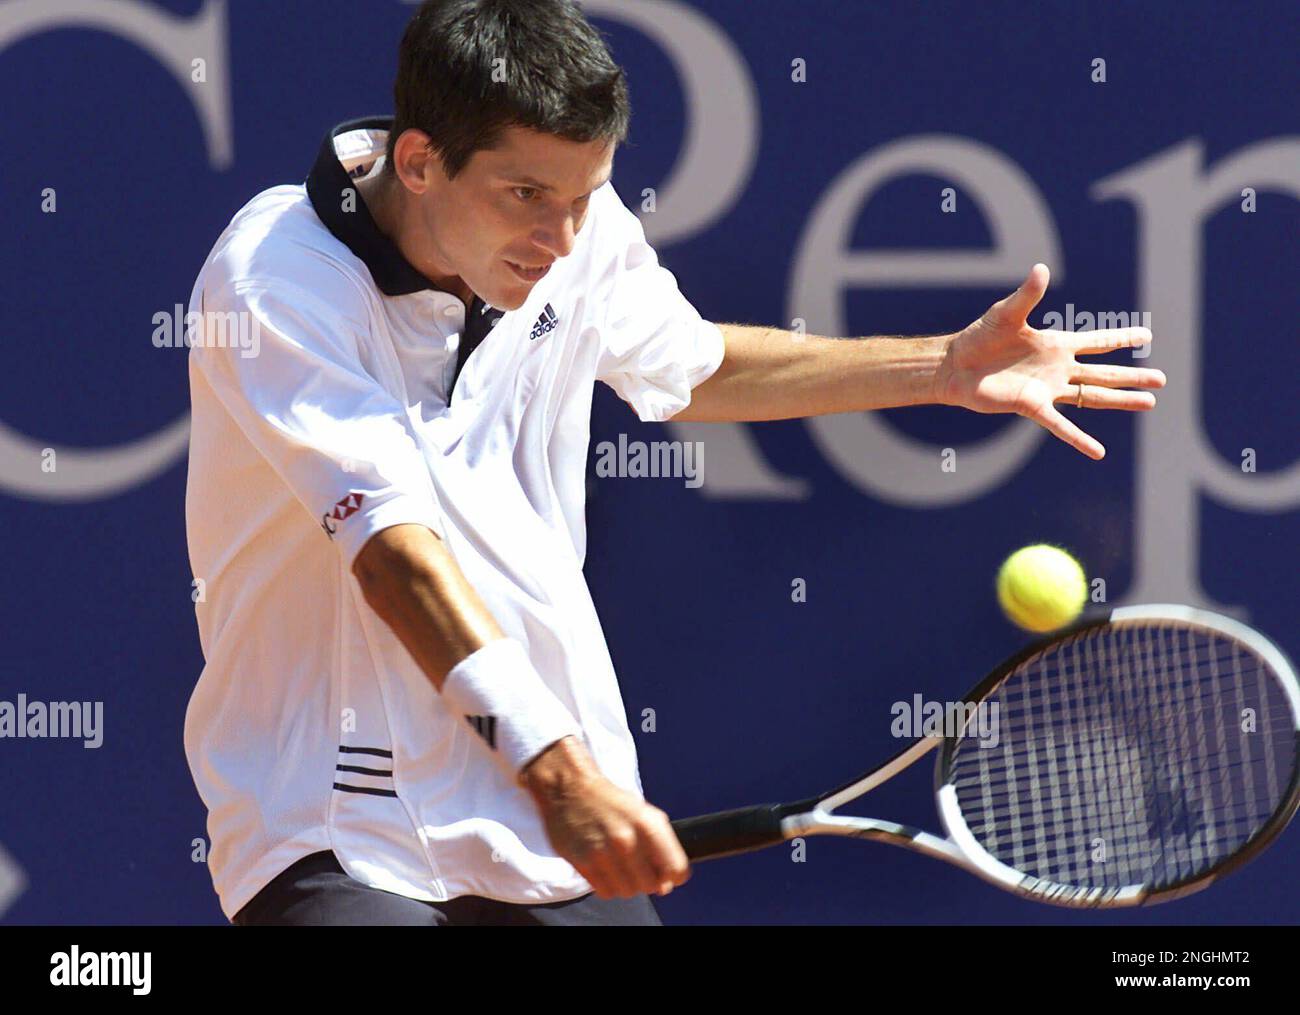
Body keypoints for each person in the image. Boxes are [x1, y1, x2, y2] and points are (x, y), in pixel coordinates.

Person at [183, 0, 1166, 926]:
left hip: (546, 809)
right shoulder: (279, 275)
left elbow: (690, 369)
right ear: (420, 161)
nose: (560, 240)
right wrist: (558, 772)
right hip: (336, 820)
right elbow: (395, 552)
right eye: (525, 195)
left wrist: (940, 368)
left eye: (585, 196)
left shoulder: (573, 235)